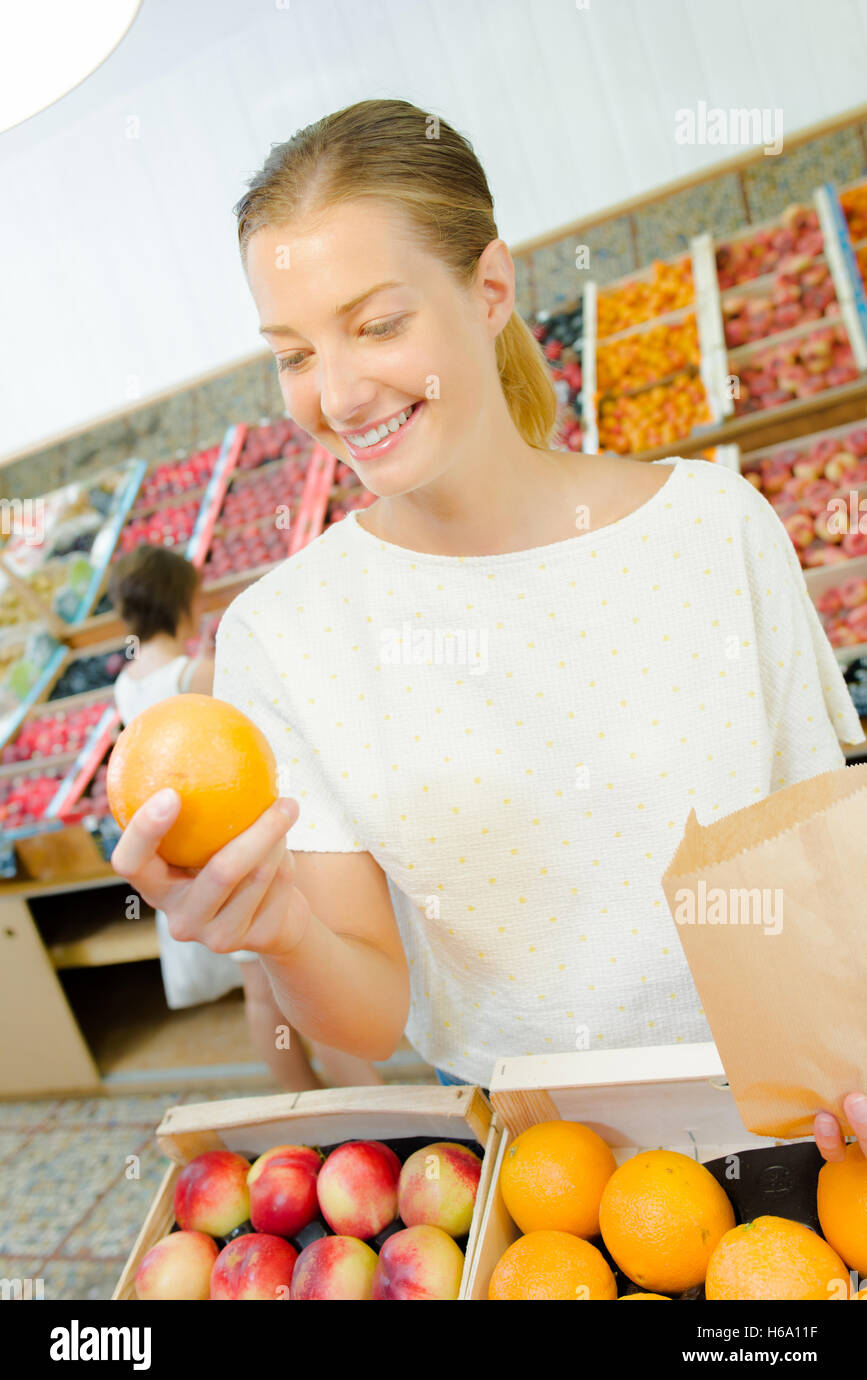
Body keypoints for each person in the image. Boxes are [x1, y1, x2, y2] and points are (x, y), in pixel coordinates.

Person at [110, 98, 867, 1160]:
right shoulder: (285, 637)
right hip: (535, 1169)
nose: (334, 392)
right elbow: (371, 1011)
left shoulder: (715, 527)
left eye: (376, 324)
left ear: (490, 289)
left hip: (801, 1117)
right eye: (291, 352)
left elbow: (825, 861)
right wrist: (276, 929)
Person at [107, 544, 381, 1091]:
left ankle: (305, 1101)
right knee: (308, 978)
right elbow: (254, 736)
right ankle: (367, 1102)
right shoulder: (194, 672)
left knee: (262, 995)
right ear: (181, 601)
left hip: (192, 851)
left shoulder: (126, 682)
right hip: (240, 836)